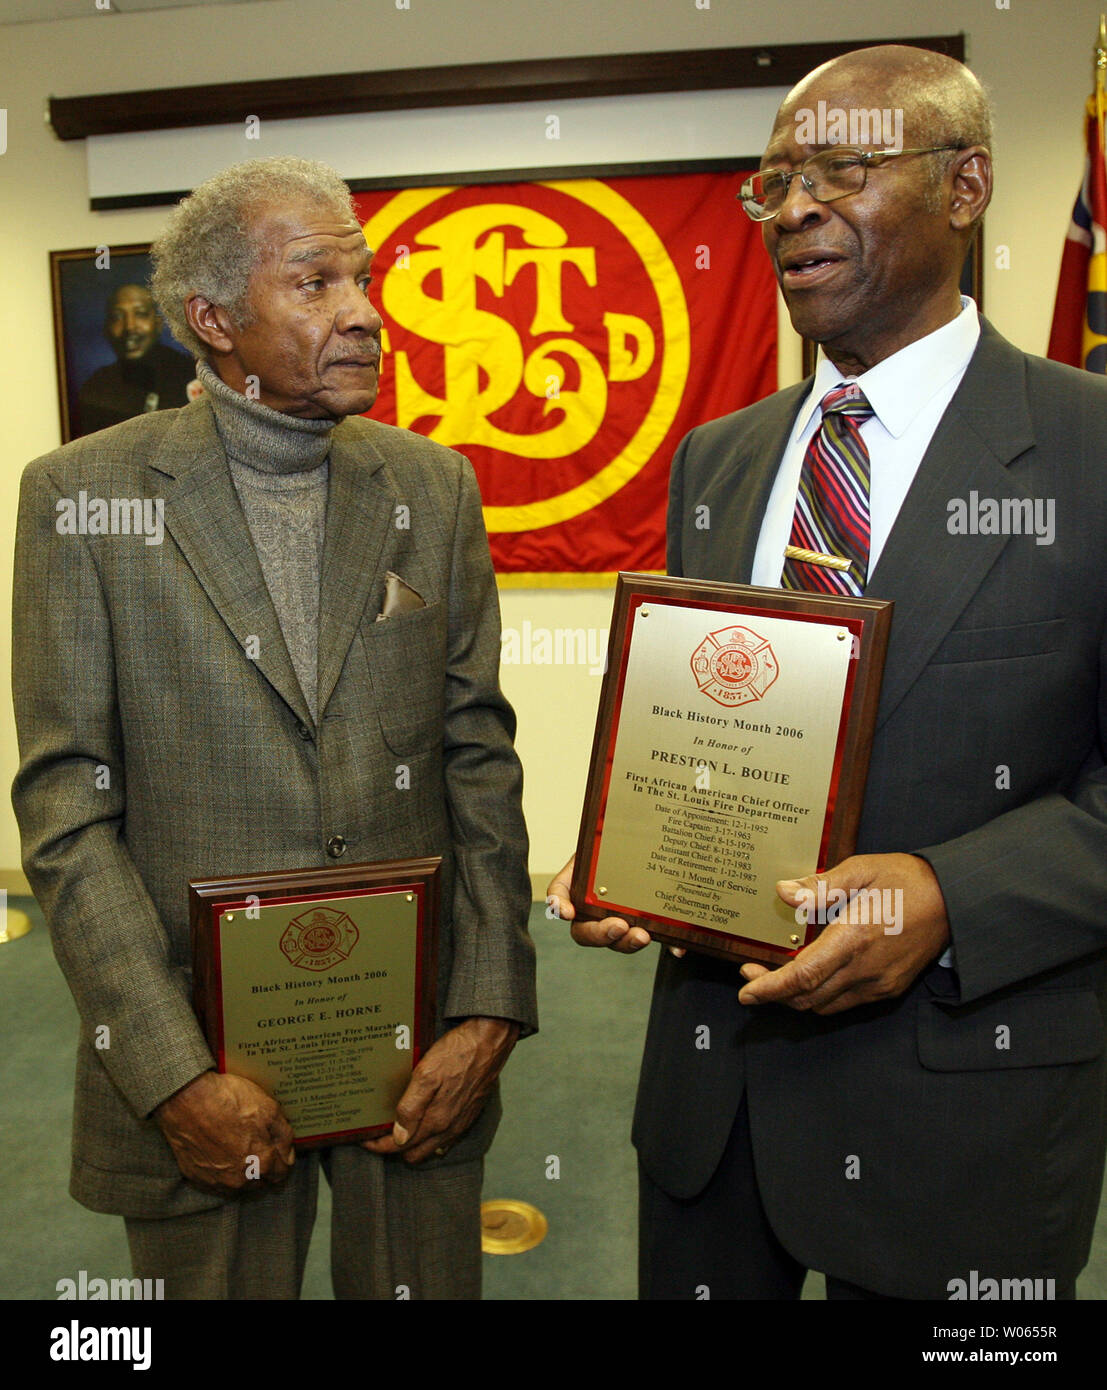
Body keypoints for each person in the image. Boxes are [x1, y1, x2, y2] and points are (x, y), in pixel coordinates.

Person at [549, 44, 1107, 1300]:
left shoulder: (1091, 451)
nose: (793, 207)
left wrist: (948, 895)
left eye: (841, 170)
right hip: (713, 1111)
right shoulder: (718, 459)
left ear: (965, 187)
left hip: (963, 1129)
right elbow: (712, 723)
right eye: (774, 182)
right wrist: (626, 856)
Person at [13, 156, 536, 1300]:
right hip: (201, 1062)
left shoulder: (432, 486)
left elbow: (478, 761)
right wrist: (170, 1071)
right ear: (213, 320)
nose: (362, 313)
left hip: (417, 1058)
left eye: (364, 278)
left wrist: (490, 1003)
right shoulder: (82, 499)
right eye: (315, 284)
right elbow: (65, 813)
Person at [75, 284, 196, 436]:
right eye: (117, 316)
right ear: (107, 328)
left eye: (140, 314)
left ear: (158, 324)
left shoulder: (189, 374)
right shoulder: (97, 386)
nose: (129, 326)